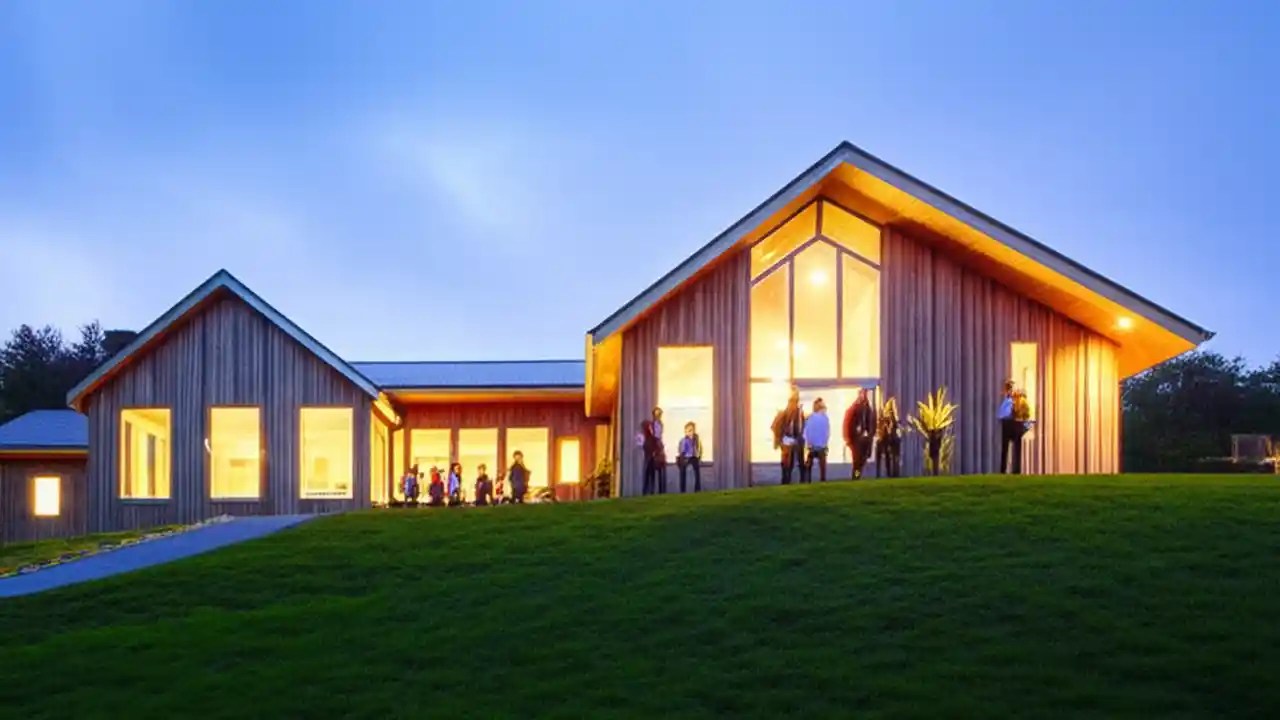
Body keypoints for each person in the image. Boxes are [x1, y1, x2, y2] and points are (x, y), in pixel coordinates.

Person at [771, 385, 806, 485]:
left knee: (795, 462)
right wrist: (781, 439)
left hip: (794, 440)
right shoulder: (785, 413)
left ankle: (793, 480)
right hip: (788, 441)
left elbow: (799, 426)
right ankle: (786, 481)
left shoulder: (797, 412)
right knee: (787, 464)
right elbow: (776, 426)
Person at [844, 389, 875, 480]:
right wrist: (848, 439)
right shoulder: (854, 409)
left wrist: (870, 435)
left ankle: (858, 475)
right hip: (856, 439)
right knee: (857, 461)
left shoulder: (868, 409)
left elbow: (871, 423)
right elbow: (848, 423)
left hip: (865, 439)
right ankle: (856, 477)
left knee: (862, 460)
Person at [803, 398, 831, 483]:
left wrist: (809, 443)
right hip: (820, 446)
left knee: (810, 465)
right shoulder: (824, 418)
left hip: (813, 446)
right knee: (822, 467)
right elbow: (827, 432)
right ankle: (856, 477)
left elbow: (807, 432)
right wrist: (825, 442)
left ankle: (808, 481)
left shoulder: (811, 418)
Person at [875, 399, 903, 479]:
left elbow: (894, 428)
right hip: (885, 439)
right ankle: (856, 476)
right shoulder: (885, 419)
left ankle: (891, 473)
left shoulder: (892, 419)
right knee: (857, 464)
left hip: (890, 440)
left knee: (892, 457)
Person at [998, 380, 1021, 474]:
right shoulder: (1005, 399)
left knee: (1016, 448)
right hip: (1006, 423)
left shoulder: (1017, 399)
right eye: (1008, 387)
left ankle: (1016, 470)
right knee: (1005, 447)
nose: (1009, 390)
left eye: (1010, 387)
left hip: (1015, 423)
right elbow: (1000, 413)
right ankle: (1003, 470)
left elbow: (1019, 410)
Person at [676, 421, 703, 493]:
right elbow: (681, 450)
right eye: (689, 431)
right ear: (686, 431)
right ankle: (683, 490)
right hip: (686, 457)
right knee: (683, 472)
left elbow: (699, 448)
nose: (691, 433)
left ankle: (697, 489)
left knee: (696, 472)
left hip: (693, 457)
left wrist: (699, 455)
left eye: (692, 430)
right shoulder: (684, 440)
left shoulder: (696, 439)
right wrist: (683, 458)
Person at [650, 407, 667, 494]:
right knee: (652, 468)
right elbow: (652, 436)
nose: (658, 416)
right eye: (656, 414)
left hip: (659, 444)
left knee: (662, 467)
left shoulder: (661, 424)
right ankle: (651, 490)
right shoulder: (651, 425)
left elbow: (660, 435)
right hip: (654, 444)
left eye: (659, 414)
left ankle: (662, 490)